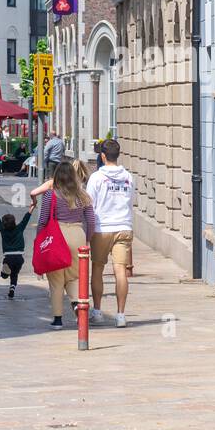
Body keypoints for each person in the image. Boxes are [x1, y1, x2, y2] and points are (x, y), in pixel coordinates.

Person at [35, 160, 95, 328]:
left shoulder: (51, 195)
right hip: (78, 236)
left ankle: (58, 319)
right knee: (75, 276)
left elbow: (43, 220)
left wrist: (39, 240)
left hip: (57, 237)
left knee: (56, 281)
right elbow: (91, 221)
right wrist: (88, 239)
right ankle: (77, 305)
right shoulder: (83, 195)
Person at [86, 138, 135, 328]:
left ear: (103, 156)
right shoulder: (128, 177)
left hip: (102, 228)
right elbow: (131, 202)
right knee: (120, 271)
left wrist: (88, 230)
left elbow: (90, 205)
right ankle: (121, 315)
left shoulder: (97, 178)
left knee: (97, 269)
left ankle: (97, 311)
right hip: (123, 226)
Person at [0, 207, 32, 297]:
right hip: (19, 258)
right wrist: (32, 207)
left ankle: (5, 270)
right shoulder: (20, 228)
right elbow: (26, 218)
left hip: (8, 257)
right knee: (14, 274)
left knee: (4, 275)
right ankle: (12, 287)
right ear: (14, 222)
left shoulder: (3, 230)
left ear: (3, 224)